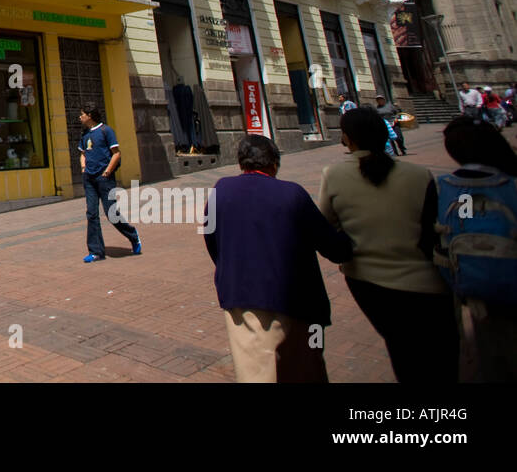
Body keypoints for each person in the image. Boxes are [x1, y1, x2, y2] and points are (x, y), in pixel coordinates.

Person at [317, 107, 458, 383]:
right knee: (444, 358)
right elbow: (436, 230)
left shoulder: (334, 175)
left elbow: (324, 227)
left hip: (368, 282)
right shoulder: (421, 175)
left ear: (346, 138)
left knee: (403, 353)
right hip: (428, 282)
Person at [203, 134, 352, 382]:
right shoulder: (293, 194)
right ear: (274, 163)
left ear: (242, 164)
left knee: (256, 373)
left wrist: (230, 269)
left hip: (244, 299)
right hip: (303, 305)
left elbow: (212, 240)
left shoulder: (222, 189)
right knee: (311, 367)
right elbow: (333, 247)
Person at [438, 116, 517, 382]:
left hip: (476, 292)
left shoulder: (446, 188)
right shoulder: (510, 185)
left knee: (492, 359)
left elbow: (448, 237)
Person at [78, 107, 141, 263]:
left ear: (90, 115)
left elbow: (116, 153)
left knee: (111, 213)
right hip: (89, 179)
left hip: (104, 179)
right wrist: (84, 168)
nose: (80, 117)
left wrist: (107, 171)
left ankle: (133, 236)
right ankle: (96, 251)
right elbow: (83, 153)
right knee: (92, 214)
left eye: (82, 114)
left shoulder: (106, 131)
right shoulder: (85, 134)